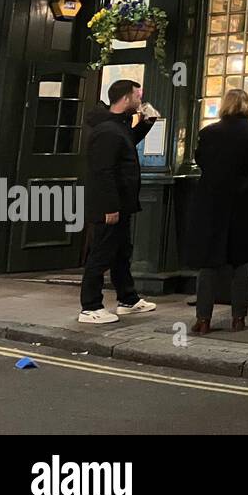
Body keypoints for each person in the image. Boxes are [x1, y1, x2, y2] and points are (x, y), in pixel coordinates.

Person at [79, 79, 160, 324]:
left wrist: (147, 122)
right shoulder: (106, 130)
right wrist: (110, 207)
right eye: (137, 95)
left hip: (121, 204)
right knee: (101, 255)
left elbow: (127, 142)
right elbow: (103, 172)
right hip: (109, 207)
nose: (140, 100)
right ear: (125, 98)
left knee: (121, 253)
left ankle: (128, 299)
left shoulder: (117, 126)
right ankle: (90, 307)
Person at [186, 89, 248, 335]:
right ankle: (238, 318)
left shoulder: (208, 132)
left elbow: (201, 161)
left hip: (211, 202)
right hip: (243, 202)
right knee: (242, 260)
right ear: (247, 106)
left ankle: (203, 319)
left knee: (208, 261)